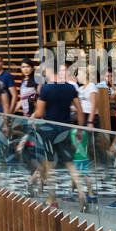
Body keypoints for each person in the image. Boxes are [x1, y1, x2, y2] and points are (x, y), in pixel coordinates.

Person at [33, 65, 90, 207]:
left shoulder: (45, 89)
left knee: (50, 164)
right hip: (65, 129)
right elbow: (80, 111)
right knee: (69, 162)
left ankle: (52, 200)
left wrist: (33, 116)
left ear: (51, 71)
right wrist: (79, 130)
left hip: (49, 129)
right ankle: (82, 193)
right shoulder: (70, 88)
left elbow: (39, 113)